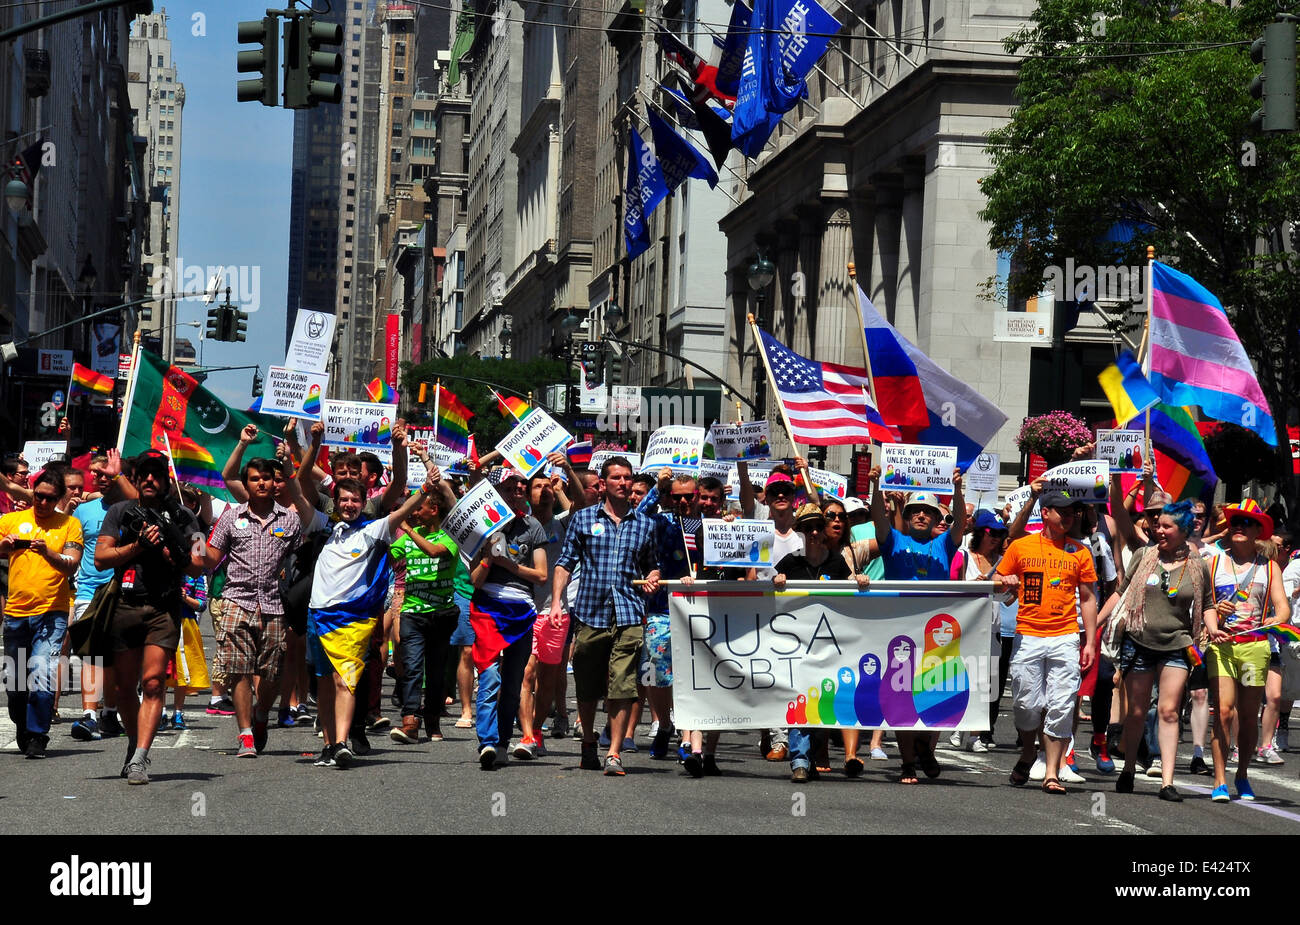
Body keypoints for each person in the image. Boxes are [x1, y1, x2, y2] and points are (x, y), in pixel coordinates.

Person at [298, 420, 432, 769]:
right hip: (319, 615)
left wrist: (403, 452)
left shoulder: (375, 527)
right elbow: (300, 482)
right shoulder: (324, 525)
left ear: (363, 500)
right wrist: (313, 442)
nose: (349, 505)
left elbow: (403, 497)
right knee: (326, 683)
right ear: (335, 502)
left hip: (354, 619)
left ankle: (342, 742)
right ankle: (330, 744)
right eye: (344, 499)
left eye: (355, 499)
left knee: (345, 680)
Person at [94, 451, 207, 783]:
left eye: (156, 474)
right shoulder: (120, 511)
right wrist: (139, 546)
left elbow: (199, 564)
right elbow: (101, 557)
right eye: (142, 473)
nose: (149, 479)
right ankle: (134, 744)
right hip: (126, 605)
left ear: (166, 480)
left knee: (155, 682)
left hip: (164, 607)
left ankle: (141, 758)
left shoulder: (185, 516)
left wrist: (177, 555)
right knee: (125, 687)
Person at [551, 456, 661, 776]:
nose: (623, 483)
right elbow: (565, 564)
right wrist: (557, 602)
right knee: (587, 686)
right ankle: (588, 741)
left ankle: (613, 753)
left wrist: (653, 576)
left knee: (622, 685)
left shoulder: (645, 524)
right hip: (590, 612)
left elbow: (652, 565)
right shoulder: (584, 520)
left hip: (628, 612)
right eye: (617, 478)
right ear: (604, 483)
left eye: (628, 478)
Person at [1100, 501, 1214, 802]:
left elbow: (1209, 605)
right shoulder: (1144, 556)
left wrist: (1212, 628)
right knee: (1137, 712)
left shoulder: (1198, 564)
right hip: (1138, 642)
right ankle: (1128, 769)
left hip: (1177, 644)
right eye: (1157, 525)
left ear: (1183, 530)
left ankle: (1167, 781)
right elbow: (1120, 592)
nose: (1158, 530)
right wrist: (1094, 623)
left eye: (1166, 526)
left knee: (1168, 711)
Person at [202, 449, 306, 758]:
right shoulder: (232, 516)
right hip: (236, 601)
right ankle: (245, 733)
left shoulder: (290, 520)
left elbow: (299, 562)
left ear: (275, 484)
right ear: (246, 484)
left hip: (275, 606)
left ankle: (262, 714)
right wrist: (193, 540)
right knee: (238, 670)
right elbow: (210, 556)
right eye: (254, 479)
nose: (261, 483)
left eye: (266, 479)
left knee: (272, 673)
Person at [870, 466, 967, 783]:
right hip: (900, 632)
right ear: (908, 515)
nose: (922, 516)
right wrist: (874, 486)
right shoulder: (894, 541)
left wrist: (957, 491)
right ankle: (909, 762)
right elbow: (879, 520)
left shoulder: (942, 546)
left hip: (935, 633)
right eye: (916, 511)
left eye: (928, 511)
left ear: (936, 516)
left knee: (937, 692)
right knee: (902, 696)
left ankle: (926, 746)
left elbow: (960, 528)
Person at [998, 488, 1098, 796]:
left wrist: (1090, 641)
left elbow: (1088, 597)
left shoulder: (1079, 551)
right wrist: (1006, 582)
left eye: (1072, 513)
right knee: (1026, 704)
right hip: (1027, 635)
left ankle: (1052, 771)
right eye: (1062, 511)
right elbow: (1000, 590)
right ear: (1045, 513)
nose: (1069, 517)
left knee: (1061, 704)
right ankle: (1029, 753)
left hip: (1065, 636)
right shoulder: (1020, 546)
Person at [1203, 500, 1291, 802]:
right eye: (1235, 521)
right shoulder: (1212, 563)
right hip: (1222, 646)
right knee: (1224, 711)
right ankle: (1219, 779)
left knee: (1249, 714)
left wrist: (1275, 620)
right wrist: (1215, 612)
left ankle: (1242, 774)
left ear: (1257, 531)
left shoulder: (1269, 567)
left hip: (1255, 647)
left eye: (1246, 522)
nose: (1238, 526)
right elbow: (1203, 605)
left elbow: (1283, 609)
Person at [775, 503, 869, 782]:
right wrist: (777, 579)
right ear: (801, 532)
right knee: (800, 700)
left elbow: (848, 590)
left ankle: (813, 757)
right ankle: (800, 761)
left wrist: (857, 580)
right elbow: (770, 590)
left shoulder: (836, 562)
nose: (814, 532)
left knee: (822, 701)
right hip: (797, 646)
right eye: (808, 528)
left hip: (828, 646)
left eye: (818, 526)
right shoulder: (789, 563)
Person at [0, 468, 84, 758]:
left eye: (49, 498)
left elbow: (71, 563)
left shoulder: (70, 525)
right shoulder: (12, 520)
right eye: (39, 496)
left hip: (52, 612)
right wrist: (3, 546)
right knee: (16, 682)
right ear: (33, 492)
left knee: (42, 672)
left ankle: (38, 734)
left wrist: (48, 552)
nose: (43, 503)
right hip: (16, 613)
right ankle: (23, 723)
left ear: (58, 498)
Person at [468, 472, 548, 769]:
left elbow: (541, 576)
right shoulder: (483, 526)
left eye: (521, 487)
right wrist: (489, 557)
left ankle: (502, 741)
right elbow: (475, 581)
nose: (517, 491)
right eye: (510, 487)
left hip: (522, 611)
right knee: (489, 676)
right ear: (498, 491)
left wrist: (508, 564)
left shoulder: (533, 526)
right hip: (488, 608)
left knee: (514, 683)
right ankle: (486, 742)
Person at [387, 475, 461, 744]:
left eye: (419, 508)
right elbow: (384, 556)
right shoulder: (406, 541)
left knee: (436, 669)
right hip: (412, 614)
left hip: (441, 615)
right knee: (413, 666)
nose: (415, 512)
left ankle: (432, 720)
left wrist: (407, 529)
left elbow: (433, 551)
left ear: (434, 509)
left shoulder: (449, 536)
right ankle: (409, 721)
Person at [68, 451, 135, 743]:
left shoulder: (133, 509)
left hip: (123, 592)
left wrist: (117, 475)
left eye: (108, 474)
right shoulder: (83, 511)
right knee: (91, 657)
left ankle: (109, 711)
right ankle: (89, 716)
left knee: (116, 658)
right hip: (87, 593)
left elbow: (143, 505)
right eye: (97, 474)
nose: (101, 479)